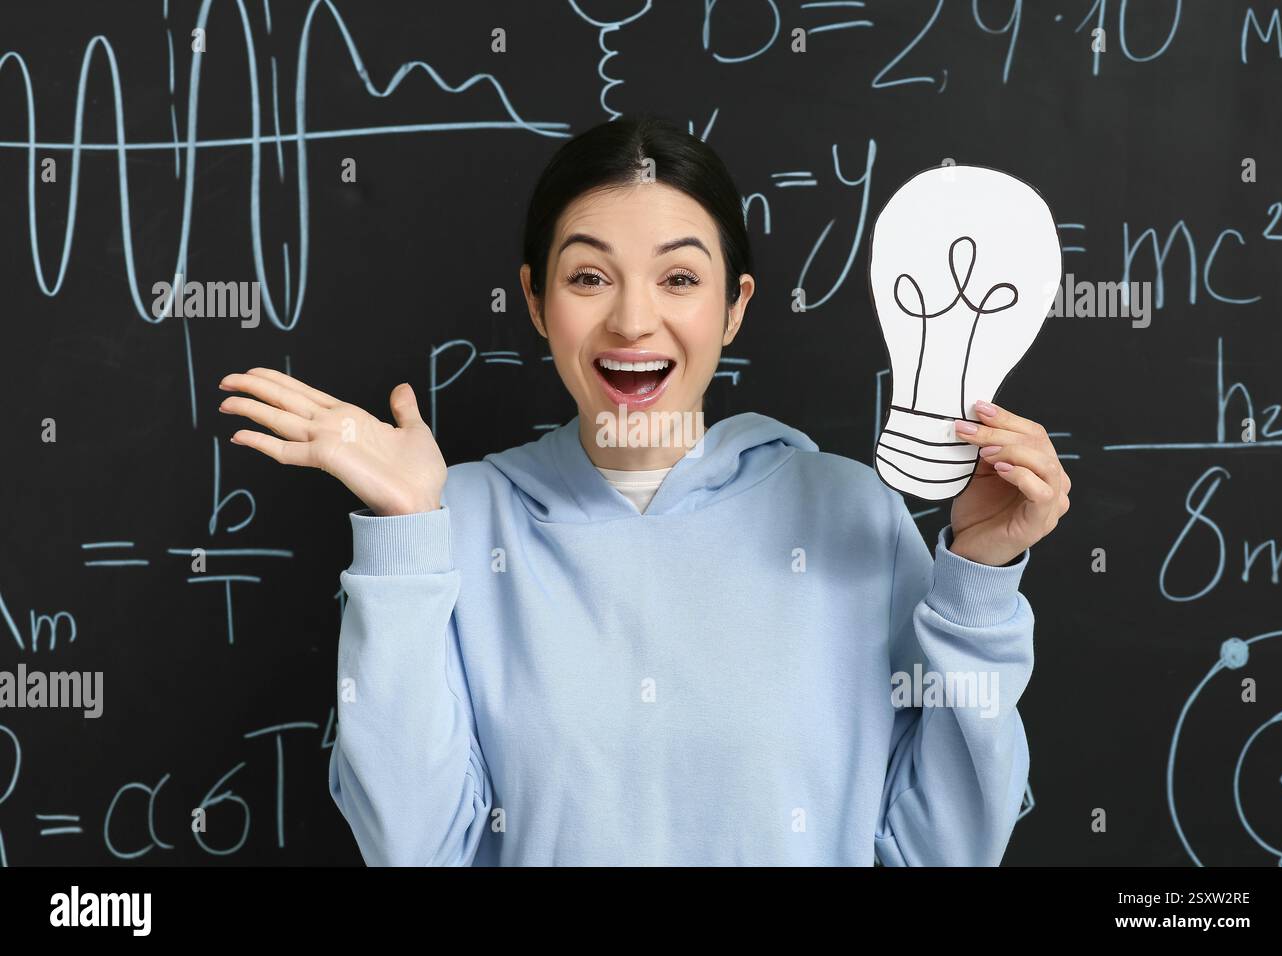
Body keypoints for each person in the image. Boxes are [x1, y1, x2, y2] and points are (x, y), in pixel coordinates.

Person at [217, 114, 1070, 866]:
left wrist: (978, 585)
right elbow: (413, 848)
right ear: (536, 300)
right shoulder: (455, 520)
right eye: (589, 277)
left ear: (734, 308)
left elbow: (944, 850)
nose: (632, 321)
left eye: (679, 279)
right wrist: (406, 539)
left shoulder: (848, 516)